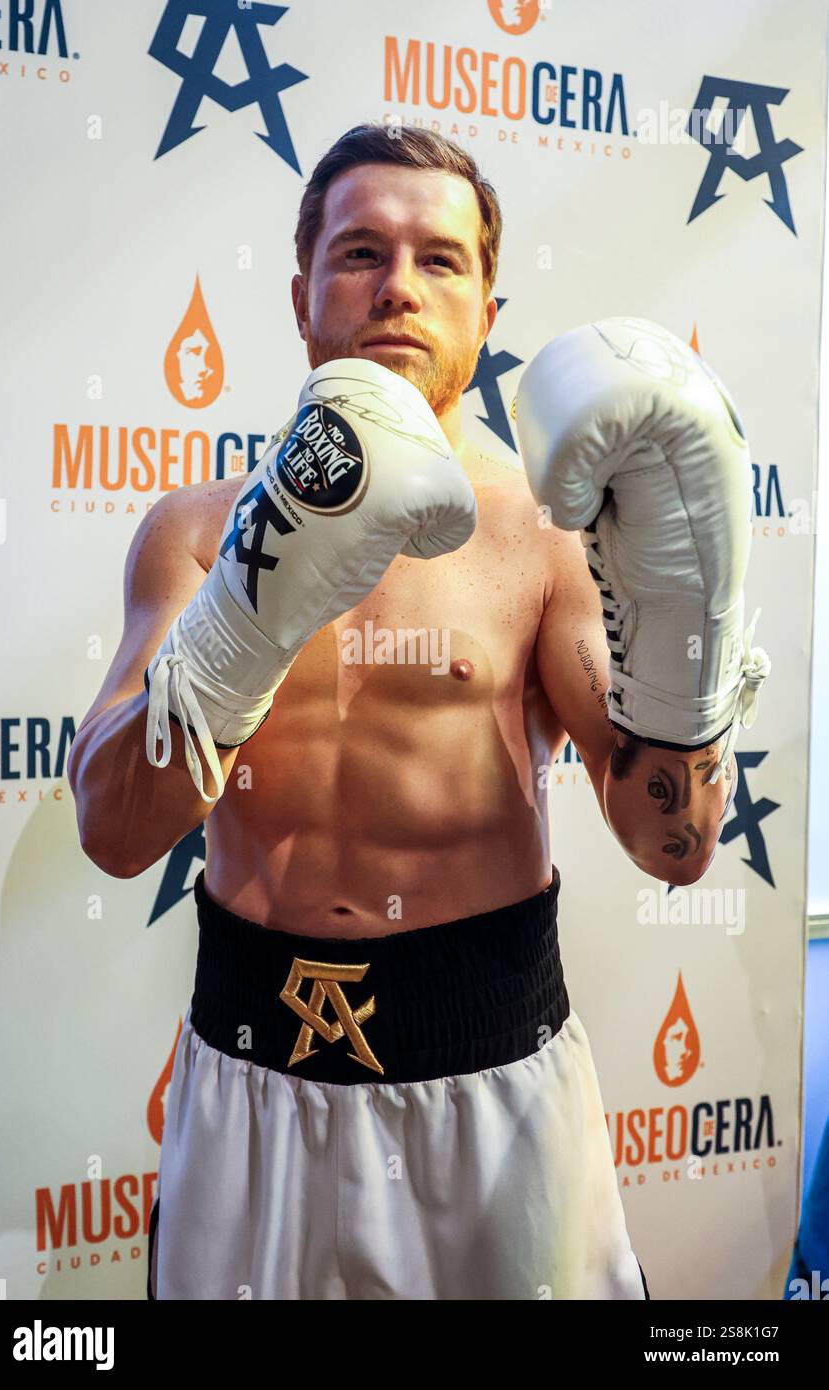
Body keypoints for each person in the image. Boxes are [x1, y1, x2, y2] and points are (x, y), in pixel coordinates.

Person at [68, 123, 769, 1300]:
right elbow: (114, 830)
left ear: (487, 306)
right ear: (299, 295)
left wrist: (685, 659)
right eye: (359, 252)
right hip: (252, 1081)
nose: (398, 285)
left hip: (490, 1081)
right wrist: (248, 607)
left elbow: (675, 845)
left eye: (439, 260)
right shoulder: (195, 531)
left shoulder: (541, 540)